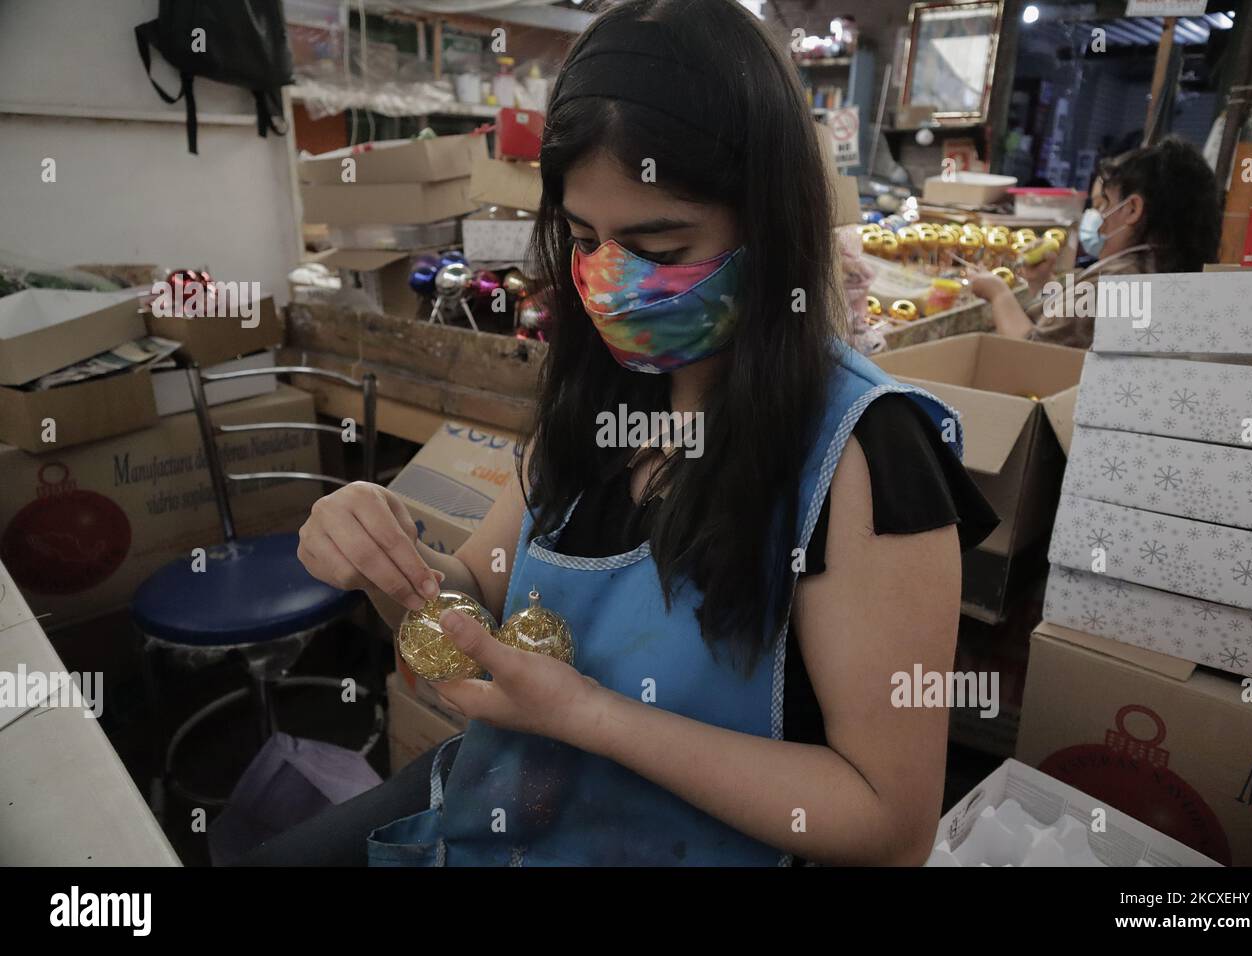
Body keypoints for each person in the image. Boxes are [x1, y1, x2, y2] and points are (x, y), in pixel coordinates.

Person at [255, 0, 996, 867]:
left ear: (771, 220)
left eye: (660, 242)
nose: (612, 284)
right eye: (582, 239)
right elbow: (476, 593)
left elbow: (890, 823)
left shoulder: (865, 458)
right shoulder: (597, 400)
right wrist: (387, 555)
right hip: (519, 815)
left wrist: (591, 718)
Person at [969, 137, 1221, 348]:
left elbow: (1033, 352)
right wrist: (1043, 282)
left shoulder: (1118, 280)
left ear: (1132, 209)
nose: (1097, 219)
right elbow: (1075, 327)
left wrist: (998, 294)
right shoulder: (1169, 272)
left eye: (1104, 205)